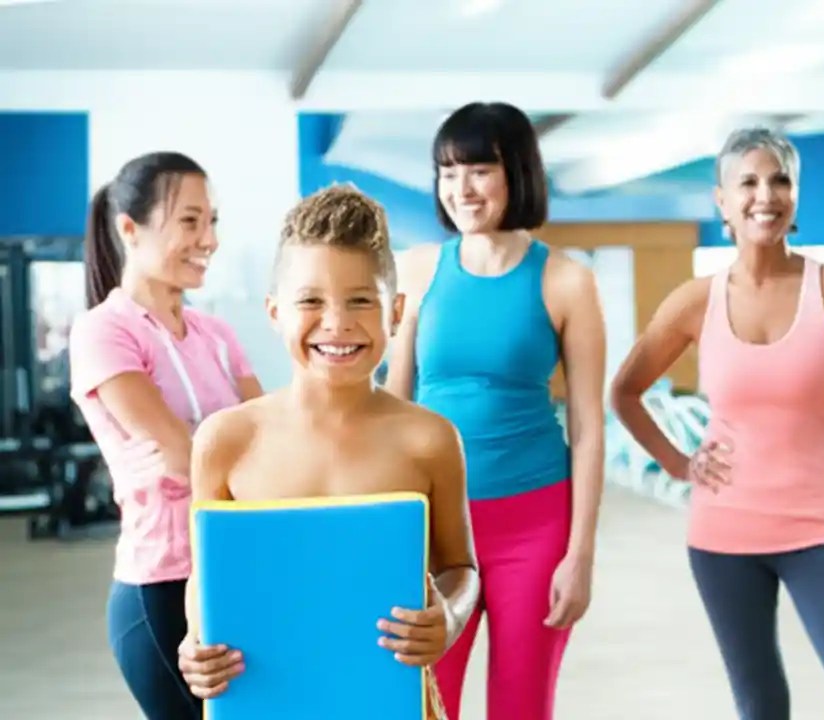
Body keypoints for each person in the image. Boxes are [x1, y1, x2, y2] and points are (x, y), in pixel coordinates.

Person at [610, 127, 824, 720]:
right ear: (722, 201)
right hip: (723, 538)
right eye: (747, 182)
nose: (764, 195)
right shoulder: (696, 301)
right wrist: (679, 463)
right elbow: (625, 391)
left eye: (780, 180)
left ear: (795, 196)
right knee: (761, 706)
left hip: (820, 532)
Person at [173, 185, 481, 720]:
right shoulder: (227, 441)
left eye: (361, 300)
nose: (336, 323)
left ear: (395, 311)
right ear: (274, 312)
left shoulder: (429, 439)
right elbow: (208, 575)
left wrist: (450, 618)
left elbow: (461, 567)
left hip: (393, 702)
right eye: (310, 300)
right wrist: (195, 642)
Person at [383, 101, 606, 720]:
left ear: (518, 173)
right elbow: (394, 404)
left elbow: (588, 427)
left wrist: (580, 553)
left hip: (534, 524)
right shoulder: (420, 269)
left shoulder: (566, 280)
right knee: (424, 703)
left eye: (479, 169)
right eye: (447, 172)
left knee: (520, 708)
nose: (461, 189)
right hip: (434, 525)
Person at [66, 151, 263, 720]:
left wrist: (209, 450)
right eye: (190, 221)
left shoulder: (216, 333)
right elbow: (184, 460)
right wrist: (218, 451)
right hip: (161, 584)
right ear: (130, 229)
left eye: (213, 221)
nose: (209, 239)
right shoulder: (104, 331)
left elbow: (271, 439)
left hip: (235, 568)